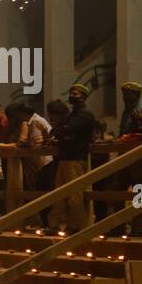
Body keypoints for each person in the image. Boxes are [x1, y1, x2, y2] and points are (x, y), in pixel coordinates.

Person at [47, 83, 96, 233]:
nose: (72, 96)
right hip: (65, 157)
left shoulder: (85, 115)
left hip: (75, 157)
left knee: (75, 195)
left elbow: (67, 130)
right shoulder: (72, 114)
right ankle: (54, 224)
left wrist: (60, 133)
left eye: (76, 94)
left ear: (83, 97)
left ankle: (76, 226)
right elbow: (57, 131)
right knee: (59, 194)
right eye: (71, 93)